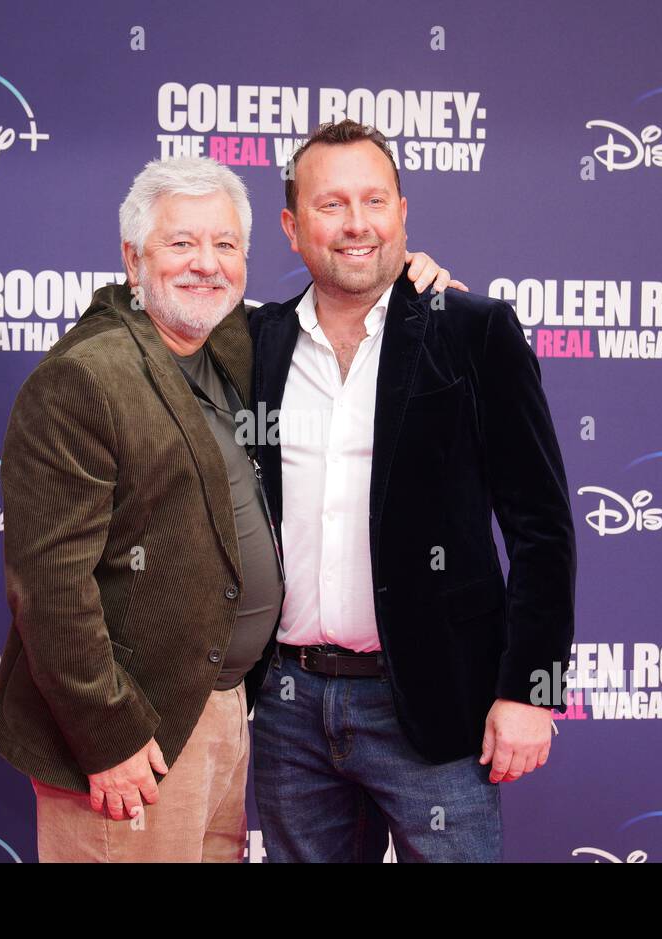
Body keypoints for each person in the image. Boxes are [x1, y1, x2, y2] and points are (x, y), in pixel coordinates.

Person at [0, 155, 454, 862]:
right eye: (182, 243)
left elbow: (339, 300)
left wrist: (409, 281)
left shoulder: (228, 343)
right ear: (132, 257)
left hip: (224, 708)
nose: (207, 264)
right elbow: (49, 590)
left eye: (226, 245)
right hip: (133, 730)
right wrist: (105, 736)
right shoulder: (85, 377)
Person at [244, 120, 578, 862]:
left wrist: (532, 690)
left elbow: (543, 528)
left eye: (375, 200)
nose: (357, 223)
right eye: (331, 205)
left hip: (433, 707)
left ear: (402, 211)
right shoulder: (254, 345)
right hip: (290, 712)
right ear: (292, 227)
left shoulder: (472, 331)